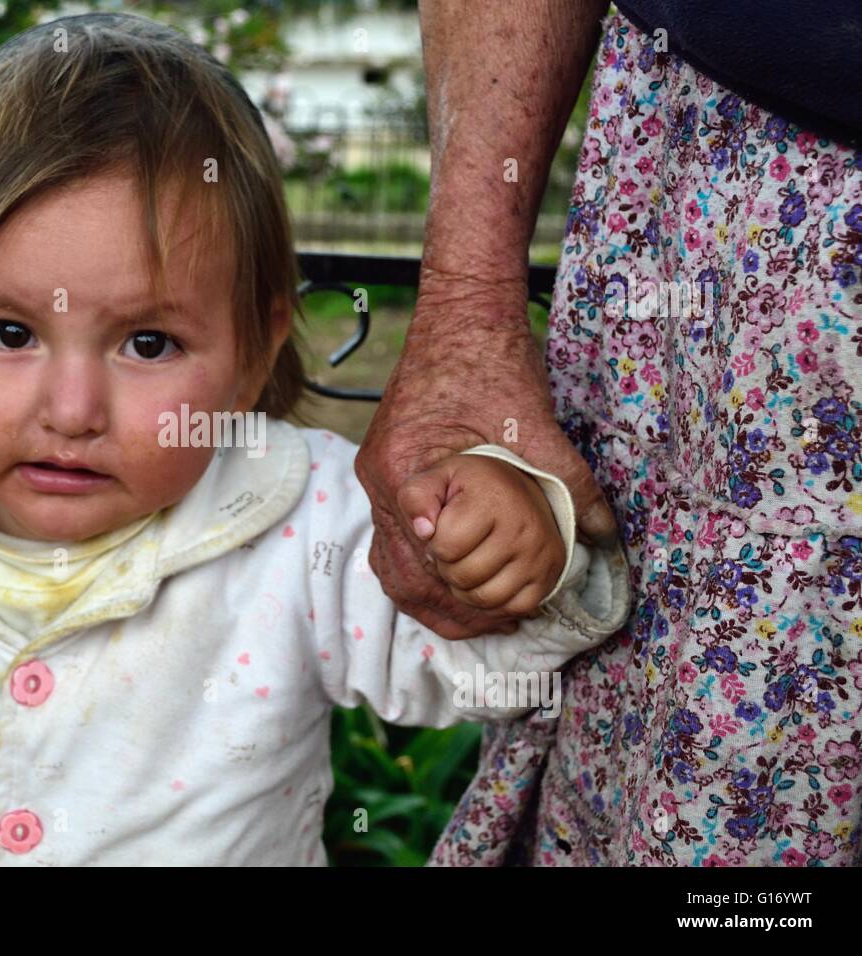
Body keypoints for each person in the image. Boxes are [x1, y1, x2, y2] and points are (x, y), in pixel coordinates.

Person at [0, 13, 629, 867]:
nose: (73, 407)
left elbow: (486, 666)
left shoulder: (300, 523)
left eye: (148, 342)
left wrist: (511, 552)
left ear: (251, 354)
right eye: (10, 333)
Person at [359, 0, 862, 865]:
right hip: (742, 209)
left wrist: (521, 556)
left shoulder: (276, 515)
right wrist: (535, 550)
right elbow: (477, 647)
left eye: (147, 346)